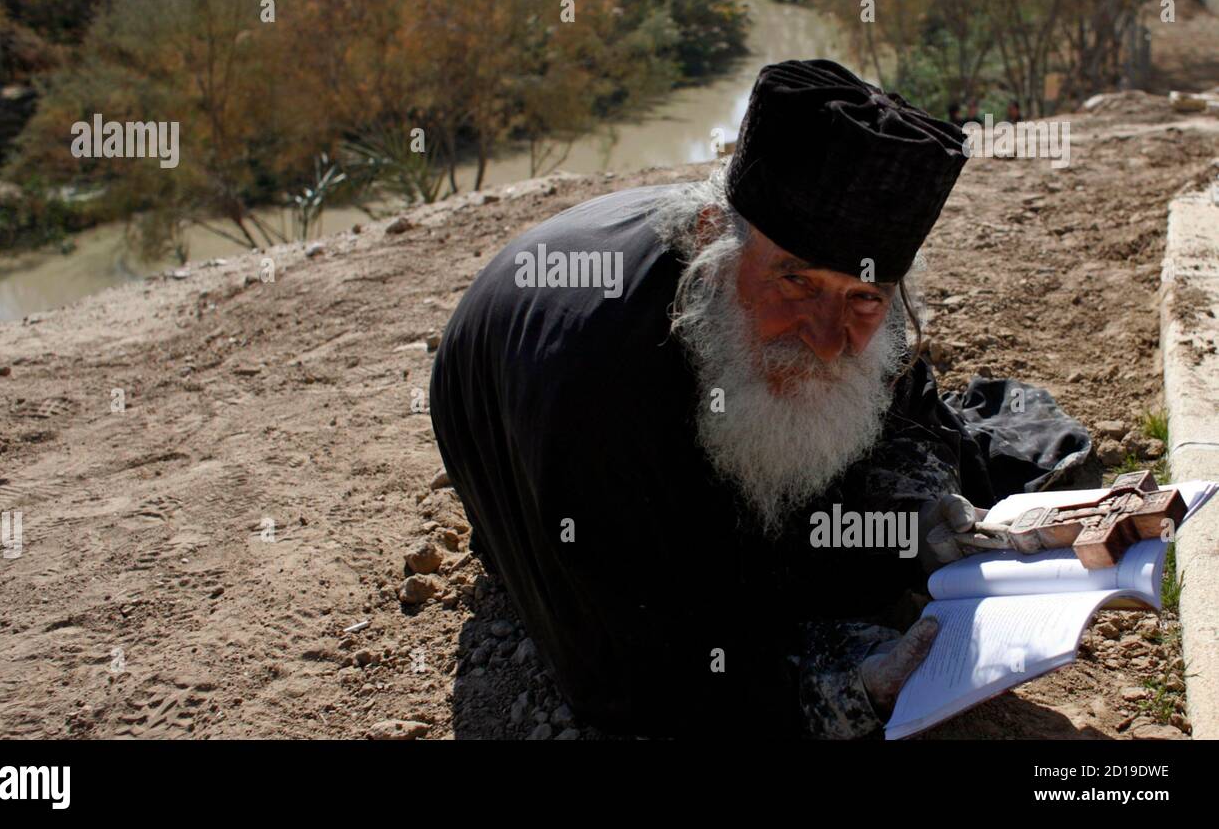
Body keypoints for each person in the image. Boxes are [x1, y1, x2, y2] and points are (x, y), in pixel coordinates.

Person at [429, 59, 1083, 739]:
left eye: (862, 298)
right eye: (797, 285)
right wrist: (844, 685)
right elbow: (633, 662)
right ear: (713, 238)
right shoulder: (596, 391)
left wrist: (920, 508)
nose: (829, 341)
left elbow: (909, 410)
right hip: (506, 384)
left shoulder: (865, 296)